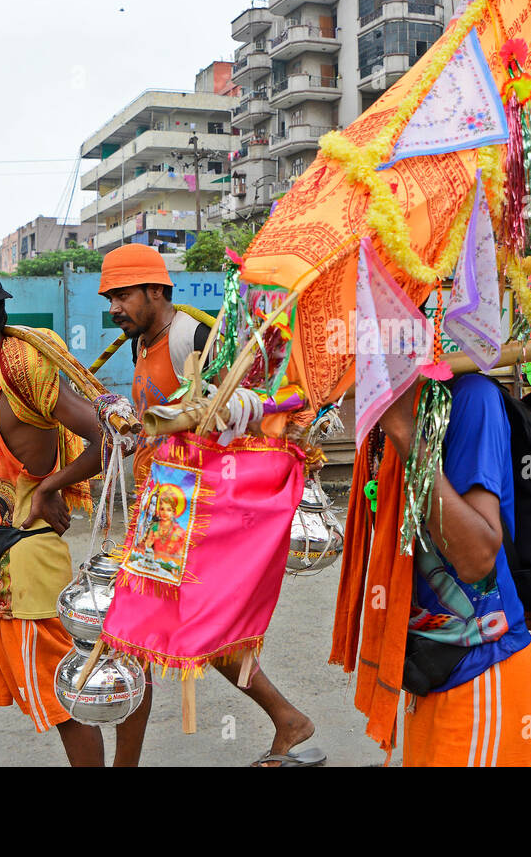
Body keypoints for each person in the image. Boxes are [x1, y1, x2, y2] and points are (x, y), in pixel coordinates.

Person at [0, 251, 144, 767]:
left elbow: (110, 439)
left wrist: (48, 488)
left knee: (68, 704)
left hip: (29, 571)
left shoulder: (25, 369)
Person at [99, 242, 324, 766]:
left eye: (123, 295)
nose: (114, 307)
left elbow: (248, 415)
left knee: (138, 633)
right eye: (110, 297)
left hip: (189, 509)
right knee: (157, 631)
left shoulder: (192, 337)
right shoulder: (141, 342)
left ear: (157, 290)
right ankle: (288, 719)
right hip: (163, 503)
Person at [377, 373, 531, 767]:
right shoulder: (407, 400)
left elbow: (476, 559)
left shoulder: (471, 399)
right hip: (428, 664)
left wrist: (402, 430)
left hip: (481, 668)